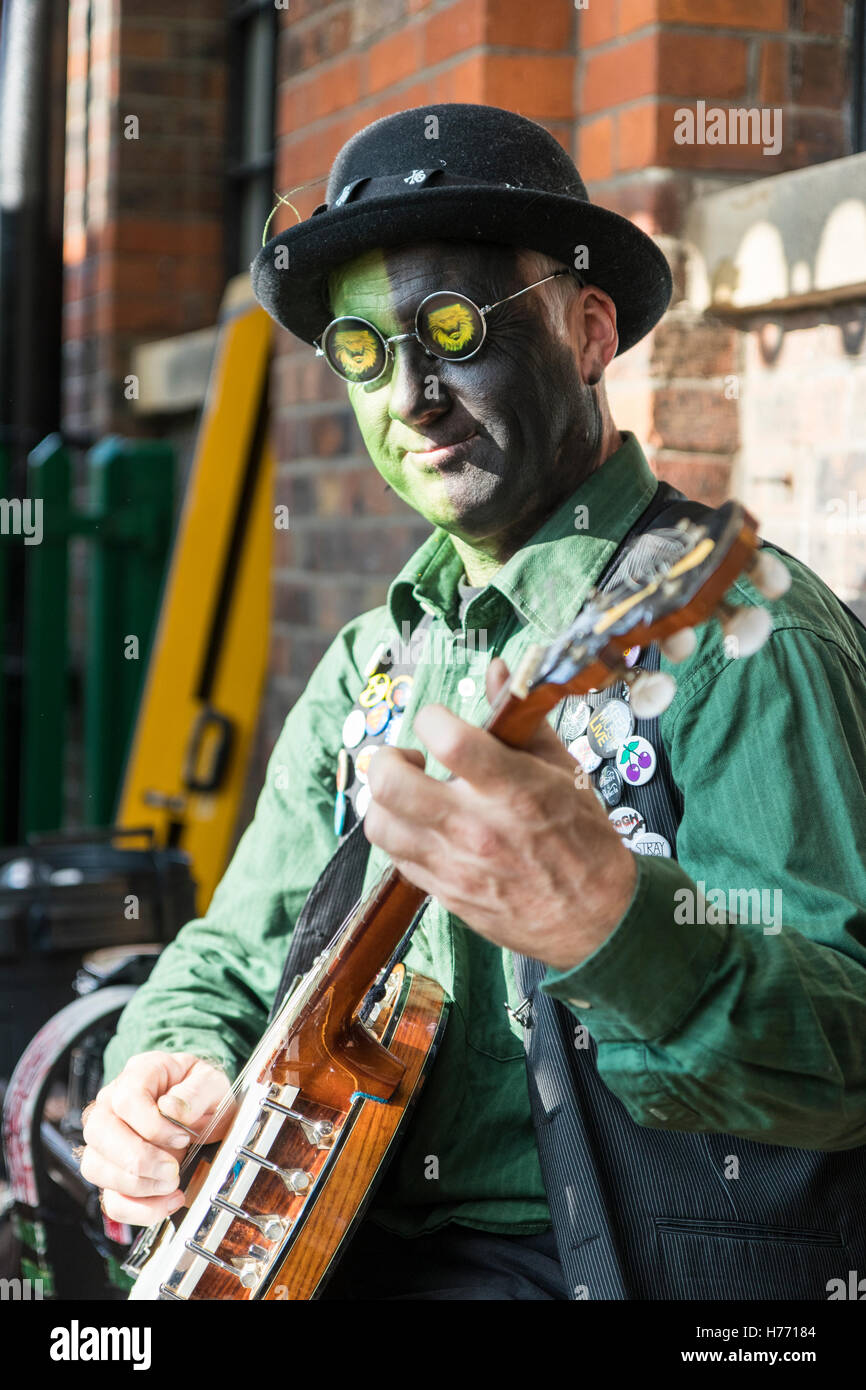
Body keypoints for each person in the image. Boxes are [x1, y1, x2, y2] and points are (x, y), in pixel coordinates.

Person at [81, 104, 866, 1301]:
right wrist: (163, 1063)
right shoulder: (366, 666)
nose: (411, 395)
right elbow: (231, 955)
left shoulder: (734, 632)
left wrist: (619, 924)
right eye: (361, 350)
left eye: (450, 328)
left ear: (588, 330)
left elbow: (848, 1047)